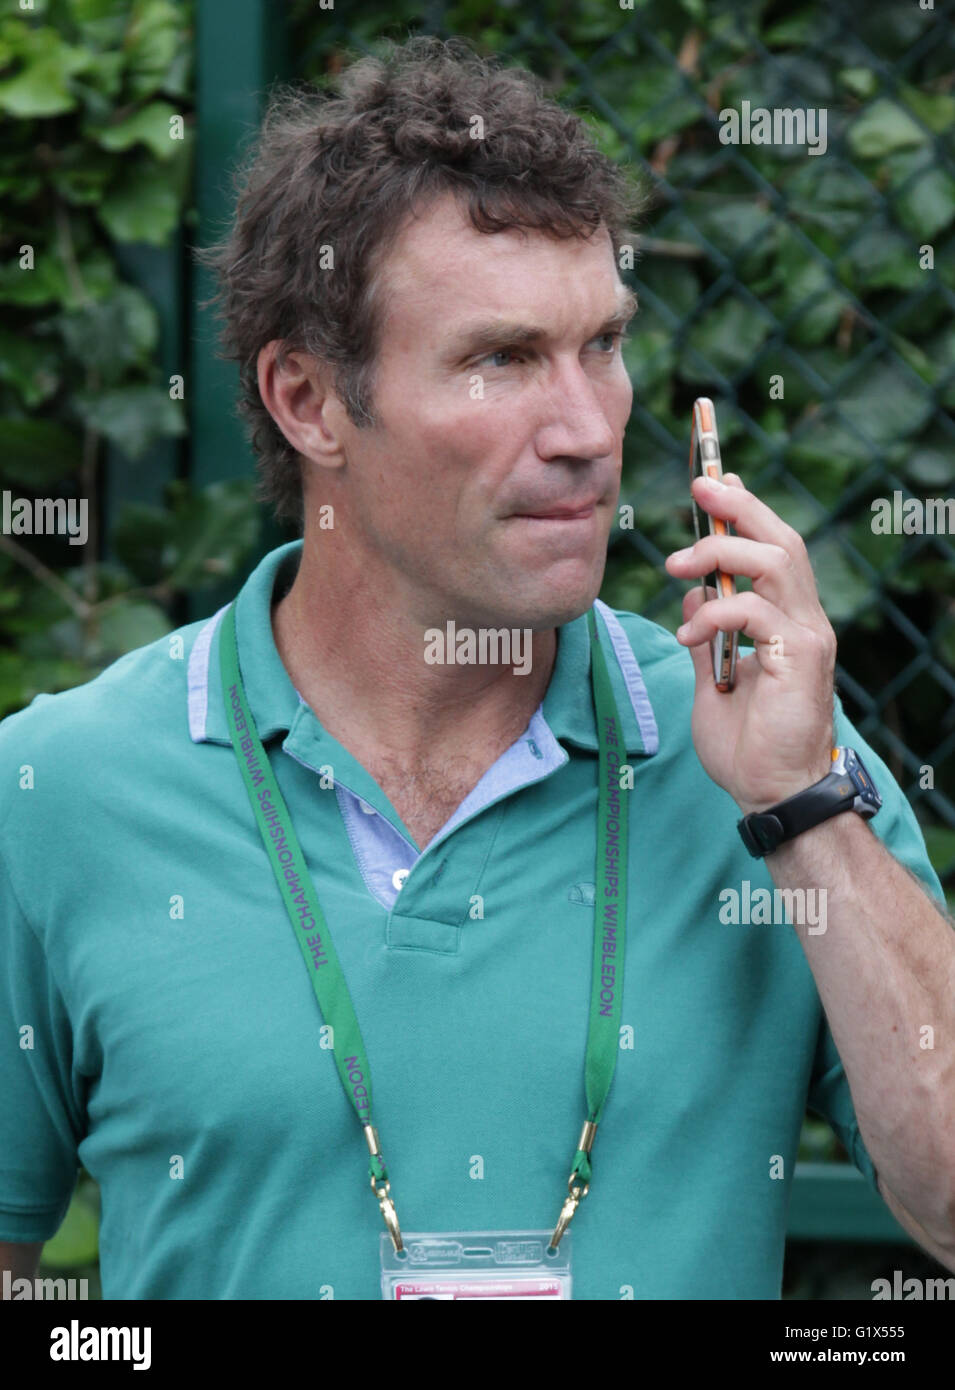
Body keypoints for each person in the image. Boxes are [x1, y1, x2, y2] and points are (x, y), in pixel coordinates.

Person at [1, 36, 953, 1301]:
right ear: (308, 401)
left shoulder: (761, 749)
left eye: (602, 345)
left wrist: (802, 806)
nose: (587, 431)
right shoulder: (58, 788)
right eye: (500, 359)